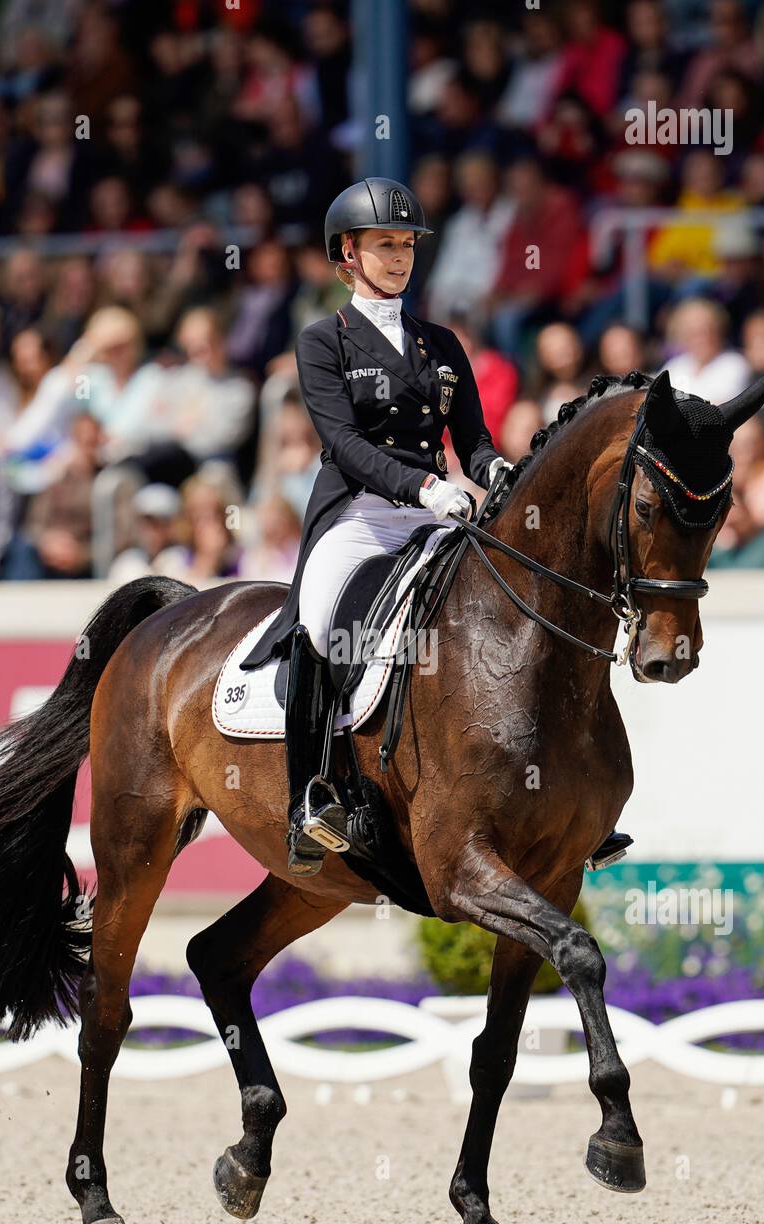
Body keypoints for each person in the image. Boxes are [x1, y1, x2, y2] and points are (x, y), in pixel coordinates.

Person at [239, 176, 513, 874]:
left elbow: (473, 440)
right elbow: (346, 447)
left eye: (406, 245)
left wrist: (495, 471)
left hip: (437, 516)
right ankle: (310, 798)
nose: (398, 256)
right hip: (359, 518)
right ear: (347, 256)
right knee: (320, 621)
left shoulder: (443, 344)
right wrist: (426, 485)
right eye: (383, 244)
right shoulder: (321, 340)